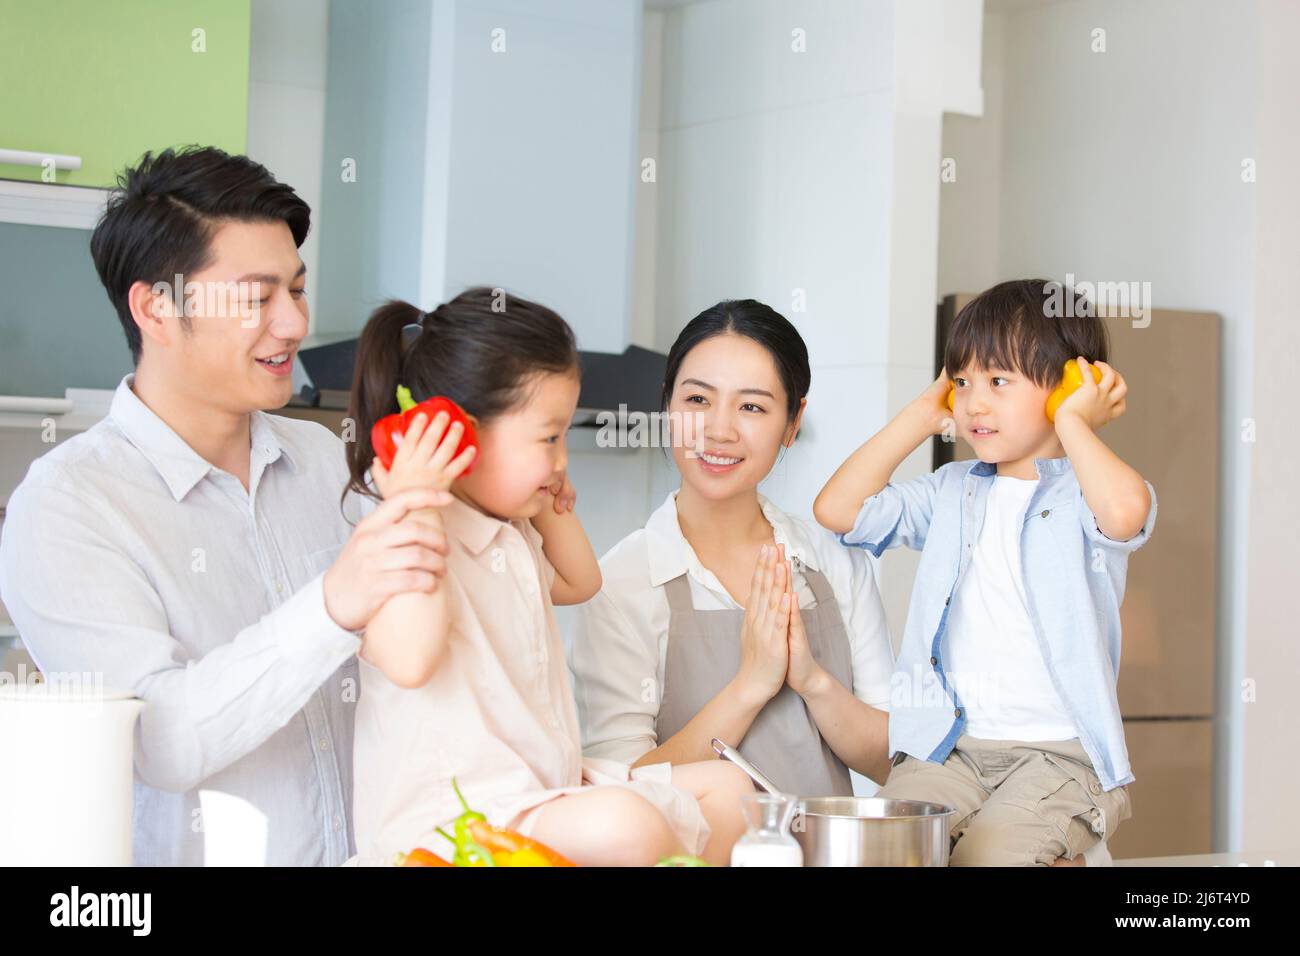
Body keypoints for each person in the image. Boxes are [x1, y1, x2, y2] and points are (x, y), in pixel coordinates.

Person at [0, 147, 452, 865]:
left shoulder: (327, 462)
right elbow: (161, 742)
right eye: (256, 298)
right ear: (155, 307)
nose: (293, 324)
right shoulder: (68, 509)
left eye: (296, 291)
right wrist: (333, 603)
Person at [346, 289, 753, 867]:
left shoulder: (511, 530)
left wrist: (545, 501)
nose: (563, 458)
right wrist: (416, 501)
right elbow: (409, 658)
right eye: (549, 437)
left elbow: (583, 582)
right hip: (456, 825)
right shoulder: (403, 531)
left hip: (542, 794)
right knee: (628, 826)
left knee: (732, 792)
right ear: (460, 437)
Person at [814, 279, 1156, 865]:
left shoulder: (1086, 494)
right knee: (881, 851)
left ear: (1068, 384)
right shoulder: (953, 491)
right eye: (962, 382)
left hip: (1058, 758)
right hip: (948, 752)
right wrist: (922, 414)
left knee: (988, 858)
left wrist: (1074, 423)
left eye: (998, 381)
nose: (973, 403)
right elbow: (839, 510)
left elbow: (1126, 515)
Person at [570, 299, 895, 796]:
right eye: (698, 400)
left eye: (752, 407)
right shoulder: (620, 583)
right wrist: (751, 685)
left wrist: (812, 680)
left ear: (792, 421)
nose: (719, 430)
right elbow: (622, 792)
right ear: (667, 403)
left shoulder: (834, 559)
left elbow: (892, 763)